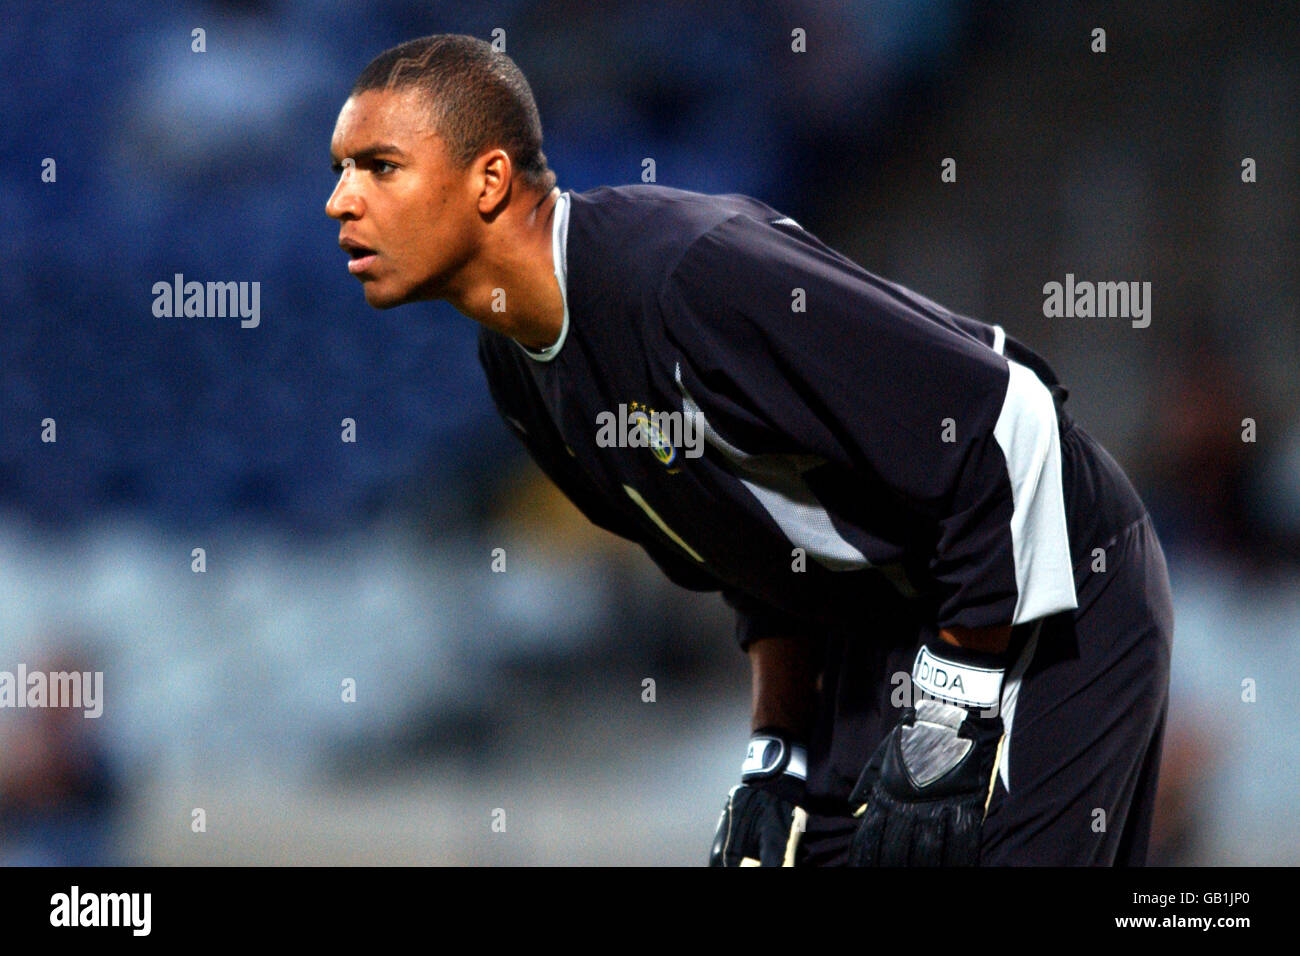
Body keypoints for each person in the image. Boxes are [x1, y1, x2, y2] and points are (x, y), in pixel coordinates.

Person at [326, 33, 1173, 866]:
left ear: (490, 179)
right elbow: (761, 563)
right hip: (884, 618)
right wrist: (778, 750)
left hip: (1047, 580)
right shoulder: (517, 370)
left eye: (379, 165)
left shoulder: (689, 272)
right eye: (340, 170)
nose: (341, 200)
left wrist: (954, 705)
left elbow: (1009, 414)